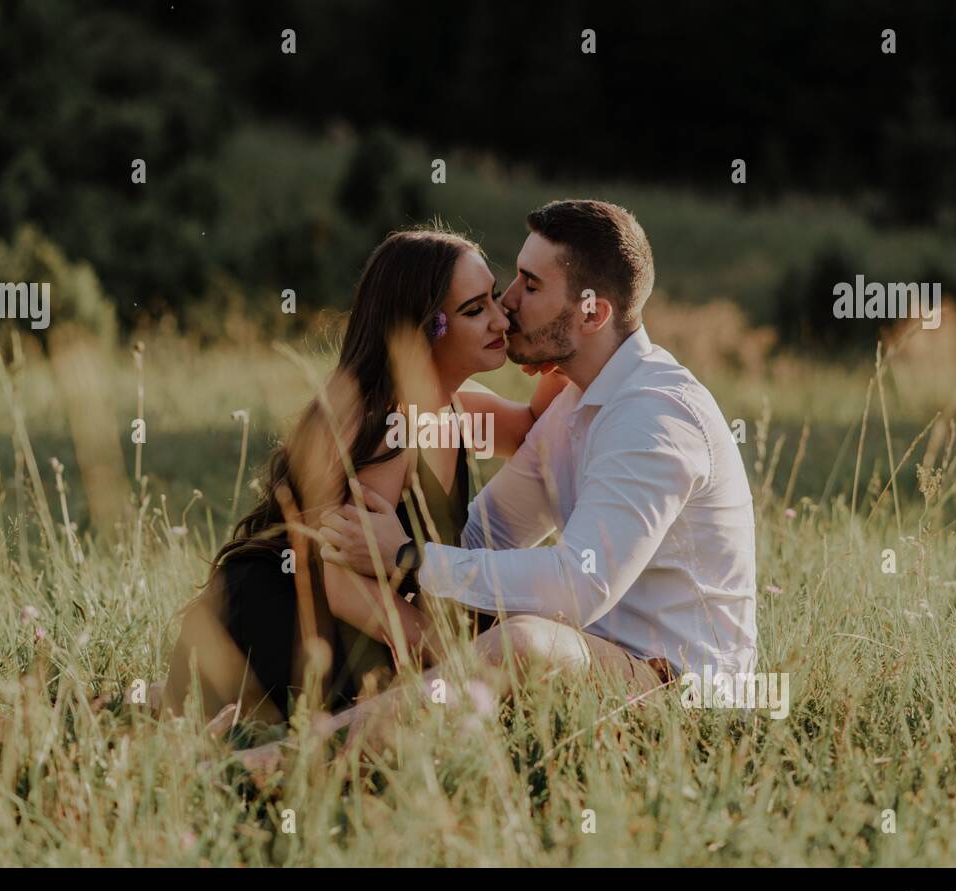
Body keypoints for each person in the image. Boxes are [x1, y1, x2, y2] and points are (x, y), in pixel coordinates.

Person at [240, 199, 757, 769]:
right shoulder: (573, 408)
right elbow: (485, 534)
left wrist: (409, 558)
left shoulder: (654, 418)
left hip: (681, 684)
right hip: (597, 651)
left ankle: (288, 762)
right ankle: (284, 712)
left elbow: (576, 587)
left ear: (591, 313)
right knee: (490, 623)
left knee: (524, 642)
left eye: (530, 286)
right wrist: (369, 557)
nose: (508, 302)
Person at [157, 227, 570, 727]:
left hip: (347, 629)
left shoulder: (456, 412)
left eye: (493, 299)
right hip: (280, 624)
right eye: (474, 309)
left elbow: (532, 428)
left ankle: (160, 702)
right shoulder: (385, 427)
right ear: (422, 329)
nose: (501, 318)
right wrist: (440, 650)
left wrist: (561, 351)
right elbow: (340, 580)